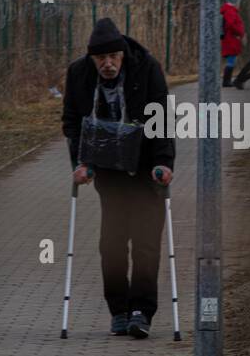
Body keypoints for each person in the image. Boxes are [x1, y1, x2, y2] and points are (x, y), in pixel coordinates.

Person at [61, 18, 175, 339]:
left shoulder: (146, 68)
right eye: (101, 59)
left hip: (146, 169)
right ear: (91, 58)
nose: (108, 64)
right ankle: (119, 310)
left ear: (122, 54)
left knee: (145, 244)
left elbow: (162, 117)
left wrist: (164, 163)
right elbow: (72, 121)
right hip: (109, 171)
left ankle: (141, 311)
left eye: (114, 57)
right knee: (111, 246)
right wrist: (81, 162)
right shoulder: (79, 74)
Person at [219, 0, 245, 88]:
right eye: (238, 3)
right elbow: (230, 25)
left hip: (230, 38)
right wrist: (239, 32)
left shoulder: (228, 11)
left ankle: (227, 80)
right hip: (232, 39)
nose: (239, 5)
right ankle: (226, 81)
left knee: (231, 60)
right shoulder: (231, 12)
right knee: (231, 60)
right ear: (234, 3)